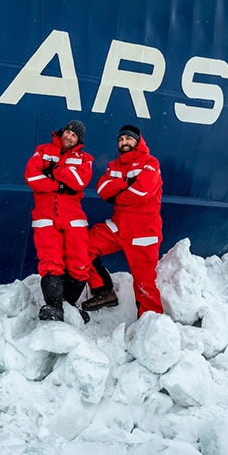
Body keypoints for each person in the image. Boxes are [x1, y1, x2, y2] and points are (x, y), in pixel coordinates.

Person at [82, 124, 164, 316]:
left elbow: (141, 191)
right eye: (121, 139)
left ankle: (152, 323)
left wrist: (117, 195)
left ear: (138, 140)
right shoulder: (115, 166)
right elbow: (102, 190)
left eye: (128, 139)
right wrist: (126, 184)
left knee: (144, 282)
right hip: (118, 225)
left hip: (144, 230)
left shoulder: (150, 163)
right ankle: (104, 291)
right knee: (82, 247)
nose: (124, 142)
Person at [24, 120, 94, 322]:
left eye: (74, 135)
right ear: (63, 132)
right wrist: (61, 186)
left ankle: (68, 305)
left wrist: (53, 170)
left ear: (79, 140)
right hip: (45, 216)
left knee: (80, 264)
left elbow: (80, 181)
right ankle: (54, 307)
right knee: (50, 262)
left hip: (73, 218)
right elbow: (32, 177)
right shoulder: (43, 150)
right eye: (68, 132)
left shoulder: (85, 158)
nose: (69, 137)